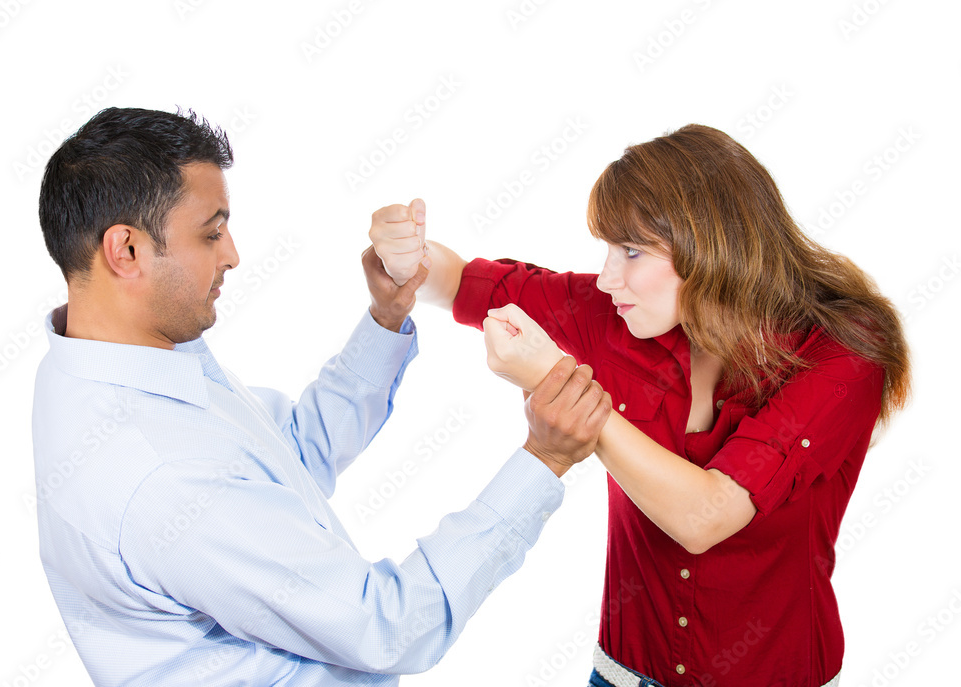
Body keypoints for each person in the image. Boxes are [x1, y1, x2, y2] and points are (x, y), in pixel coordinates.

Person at [31, 106, 611, 687]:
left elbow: (291, 458)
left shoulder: (112, 357)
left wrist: (387, 318)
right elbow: (387, 628)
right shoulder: (159, 474)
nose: (233, 254)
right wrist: (545, 459)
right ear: (125, 250)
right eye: (211, 233)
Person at [369, 124, 911, 687]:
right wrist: (407, 257)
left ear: (714, 246)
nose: (607, 278)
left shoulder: (841, 348)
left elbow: (707, 517)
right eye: (607, 249)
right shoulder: (617, 314)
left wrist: (562, 386)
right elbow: (457, 283)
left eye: (631, 251)